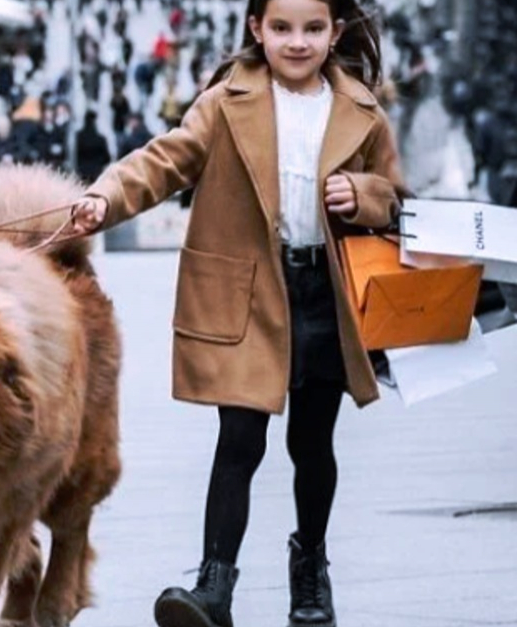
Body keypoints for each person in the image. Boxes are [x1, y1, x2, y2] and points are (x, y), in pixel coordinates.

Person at [70, 0, 402, 625]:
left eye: (311, 29)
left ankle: (310, 577)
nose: (296, 43)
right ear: (256, 29)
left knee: (312, 442)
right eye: (281, 28)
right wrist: (104, 197)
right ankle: (213, 587)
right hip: (250, 293)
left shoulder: (361, 109)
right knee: (239, 440)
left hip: (324, 295)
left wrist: (361, 195)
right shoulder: (226, 102)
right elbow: (165, 159)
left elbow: (393, 195)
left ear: (334, 33)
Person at [75, 110, 111, 184]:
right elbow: (107, 158)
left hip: (83, 172)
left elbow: (77, 156)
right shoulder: (100, 139)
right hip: (97, 172)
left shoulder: (79, 136)